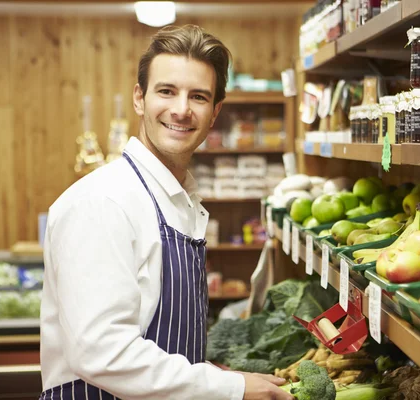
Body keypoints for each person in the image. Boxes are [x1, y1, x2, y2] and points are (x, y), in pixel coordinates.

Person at [39, 24, 294, 400]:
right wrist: (229, 387)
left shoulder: (180, 202)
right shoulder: (104, 202)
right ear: (139, 99)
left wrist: (213, 373)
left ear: (215, 112)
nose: (181, 110)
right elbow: (101, 352)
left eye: (199, 97)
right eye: (166, 91)